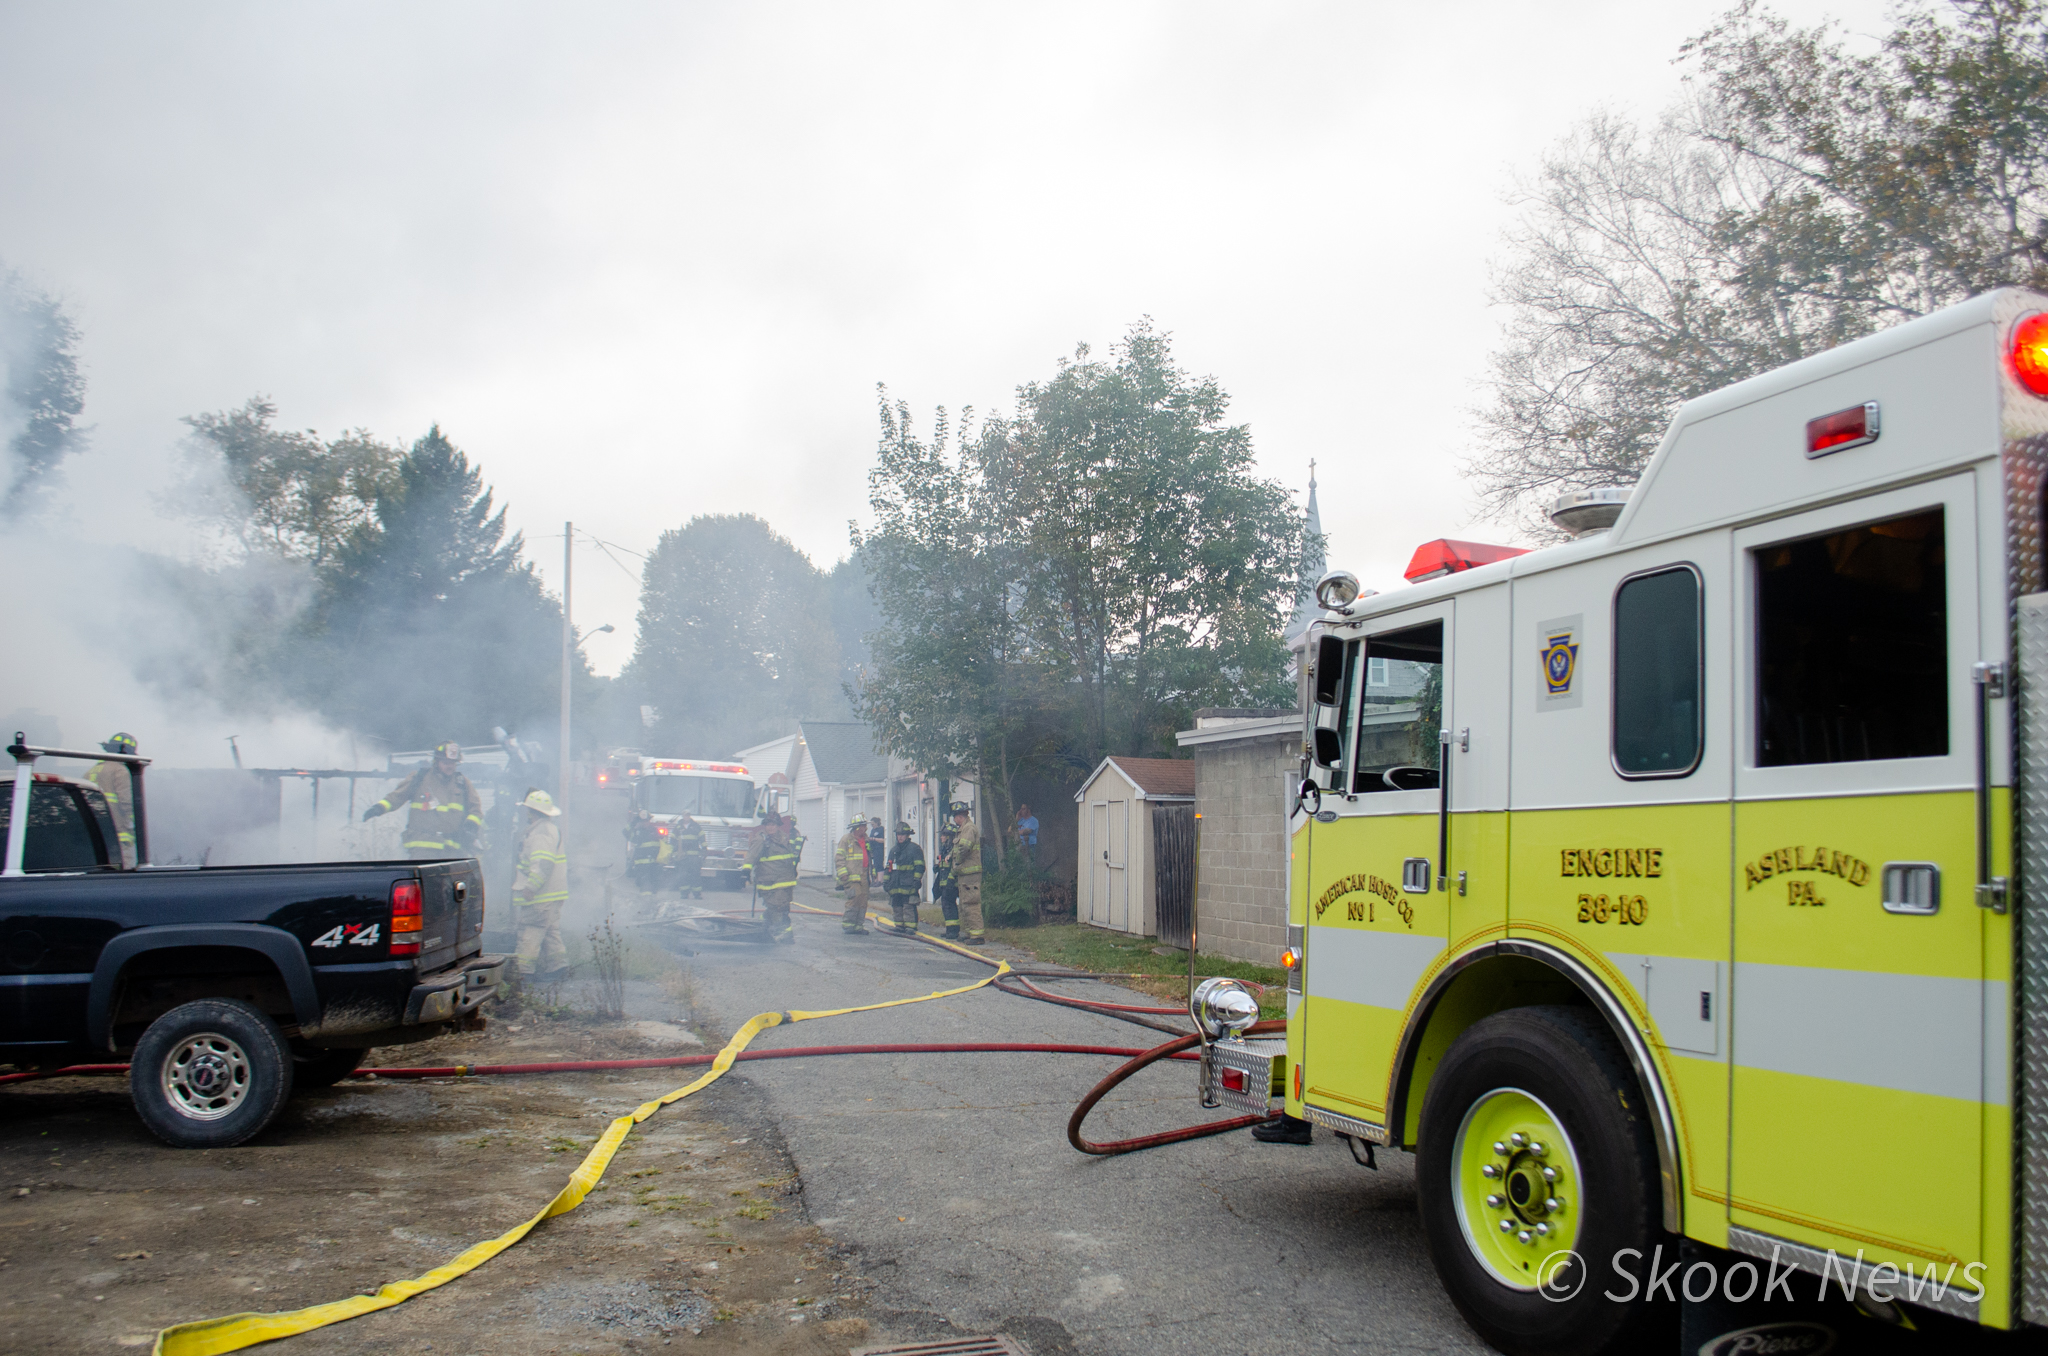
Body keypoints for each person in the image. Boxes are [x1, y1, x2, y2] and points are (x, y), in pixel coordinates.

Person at [364, 742, 484, 858]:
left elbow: (476, 810)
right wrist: (379, 808)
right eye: (446, 762)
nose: (450, 766)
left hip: (453, 850)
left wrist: (470, 826)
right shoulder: (420, 778)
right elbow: (397, 796)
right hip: (423, 849)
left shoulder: (462, 783)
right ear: (436, 762)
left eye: (453, 762)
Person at [513, 788, 569, 978]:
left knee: (530, 932)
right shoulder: (549, 829)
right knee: (551, 932)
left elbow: (543, 863)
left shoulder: (540, 833)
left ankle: (523, 974)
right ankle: (558, 969)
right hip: (552, 895)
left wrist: (531, 887)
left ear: (532, 811)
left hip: (540, 896)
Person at [745, 813, 799, 944]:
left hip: (786, 881)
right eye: (768, 824)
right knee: (779, 908)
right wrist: (746, 869)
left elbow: (788, 857)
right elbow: (752, 855)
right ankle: (785, 934)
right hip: (770, 882)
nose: (770, 827)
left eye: (773, 824)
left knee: (781, 906)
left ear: (778, 826)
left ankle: (763, 923)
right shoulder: (761, 839)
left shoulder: (784, 838)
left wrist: (793, 869)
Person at [87, 732, 138, 868]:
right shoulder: (120, 770)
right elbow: (126, 802)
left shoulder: (91, 771)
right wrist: (134, 824)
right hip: (118, 836)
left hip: (96, 835)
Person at [948, 801, 985, 945]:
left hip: (970, 874)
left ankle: (977, 935)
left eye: (955, 816)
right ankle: (970, 932)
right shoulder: (963, 829)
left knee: (971, 903)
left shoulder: (969, 828)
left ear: (960, 816)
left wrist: (956, 862)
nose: (954, 820)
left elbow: (964, 848)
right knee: (964, 904)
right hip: (964, 874)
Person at [883, 820, 925, 934]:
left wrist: (917, 879)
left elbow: (920, 866)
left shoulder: (914, 849)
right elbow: (888, 867)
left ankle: (910, 927)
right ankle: (899, 925)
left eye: (902, 835)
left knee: (908, 906)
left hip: (908, 884)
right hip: (895, 884)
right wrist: (886, 882)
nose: (900, 837)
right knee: (896, 905)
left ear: (907, 835)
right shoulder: (894, 850)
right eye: (898, 835)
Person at [834, 814, 871, 934]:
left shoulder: (866, 839)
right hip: (851, 876)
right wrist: (843, 873)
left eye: (865, 826)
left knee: (863, 900)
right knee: (854, 900)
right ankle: (848, 925)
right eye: (863, 826)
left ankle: (858, 926)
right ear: (856, 827)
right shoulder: (846, 840)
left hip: (864, 875)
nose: (865, 828)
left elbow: (870, 857)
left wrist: (873, 874)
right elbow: (839, 858)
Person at [932, 823, 961, 940]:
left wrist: (950, 880)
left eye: (943, 835)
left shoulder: (953, 851)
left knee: (949, 906)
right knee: (946, 906)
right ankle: (950, 930)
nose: (941, 837)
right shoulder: (945, 849)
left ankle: (953, 931)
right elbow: (943, 865)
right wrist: (937, 866)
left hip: (951, 883)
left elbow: (955, 866)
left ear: (949, 836)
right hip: (944, 883)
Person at [625, 809, 665, 892]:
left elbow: (662, 846)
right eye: (642, 821)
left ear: (649, 821)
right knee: (644, 886)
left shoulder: (654, 831)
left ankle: (651, 902)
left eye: (646, 821)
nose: (644, 823)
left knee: (653, 886)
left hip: (653, 864)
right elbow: (625, 831)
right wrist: (633, 823)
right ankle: (645, 902)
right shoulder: (636, 832)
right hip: (641, 865)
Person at [672, 810, 705, 899]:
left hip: (694, 857)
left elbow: (702, 838)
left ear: (690, 816)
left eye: (688, 815)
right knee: (683, 875)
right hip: (682, 857)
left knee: (695, 875)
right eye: (685, 815)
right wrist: (673, 853)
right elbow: (672, 841)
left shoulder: (696, 826)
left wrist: (704, 849)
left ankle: (697, 894)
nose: (686, 817)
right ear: (683, 816)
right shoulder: (677, 827)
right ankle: (684, 893)